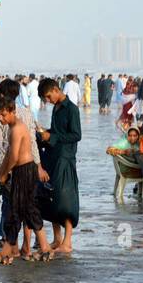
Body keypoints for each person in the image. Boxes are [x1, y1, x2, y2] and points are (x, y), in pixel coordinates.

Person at [0, 97, 52, 263]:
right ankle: (43, 249)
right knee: (24, 211)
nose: (1, 118)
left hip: (25, 171)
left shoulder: (17, 128)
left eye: (3, 115)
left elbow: (14, 156)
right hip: (21, 171)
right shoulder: (11, 127)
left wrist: (3, 174)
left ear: (12, 111)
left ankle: (9, 251)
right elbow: (9, 154)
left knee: (19, 211)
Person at [37, 78, 80, 254]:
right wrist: (45, 134)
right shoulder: (56, 108)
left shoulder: (72, 109)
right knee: (50, 196)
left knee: (66, 199)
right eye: (46, 99)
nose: (48, 101)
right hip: (53, 156)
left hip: (66, 158)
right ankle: (57, 238)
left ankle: (67, 242)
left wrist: (52, 137)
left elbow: (76, 135)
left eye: (48, 96)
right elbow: (57, 132)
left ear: (56, 90)